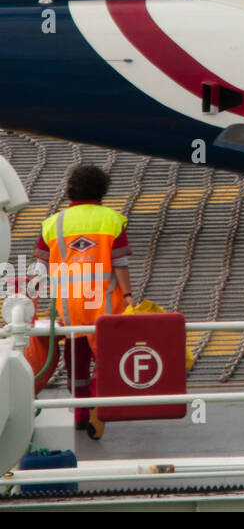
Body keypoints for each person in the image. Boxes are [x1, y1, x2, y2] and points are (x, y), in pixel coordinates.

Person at [33, 164, 132, 440]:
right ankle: (99, 410)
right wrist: (128, 295)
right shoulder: (112, 220)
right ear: (102, 190)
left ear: (71, 190)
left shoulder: (53, 223)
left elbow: (39, 268)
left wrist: (32, 299)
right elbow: (120, 264)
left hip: (69, 305)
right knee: (106, 359)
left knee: (76, 359)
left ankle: (79, 412)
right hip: (104, 304)